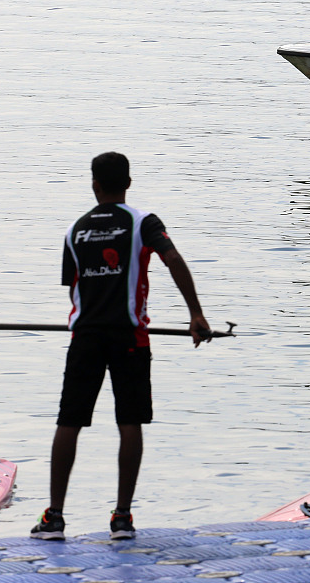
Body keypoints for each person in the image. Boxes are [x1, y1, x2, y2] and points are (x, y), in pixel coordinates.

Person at [31, 152, 212, 542]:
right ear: (128, 183)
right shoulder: (143, 222)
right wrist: (196, 313)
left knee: (69, 422)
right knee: (129, 423)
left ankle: (54, 518)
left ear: (94, 185)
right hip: (130, 336)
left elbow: (75, 286)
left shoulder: (75, 230)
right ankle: (122, 518)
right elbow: (172, 258)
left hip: (85, 338)